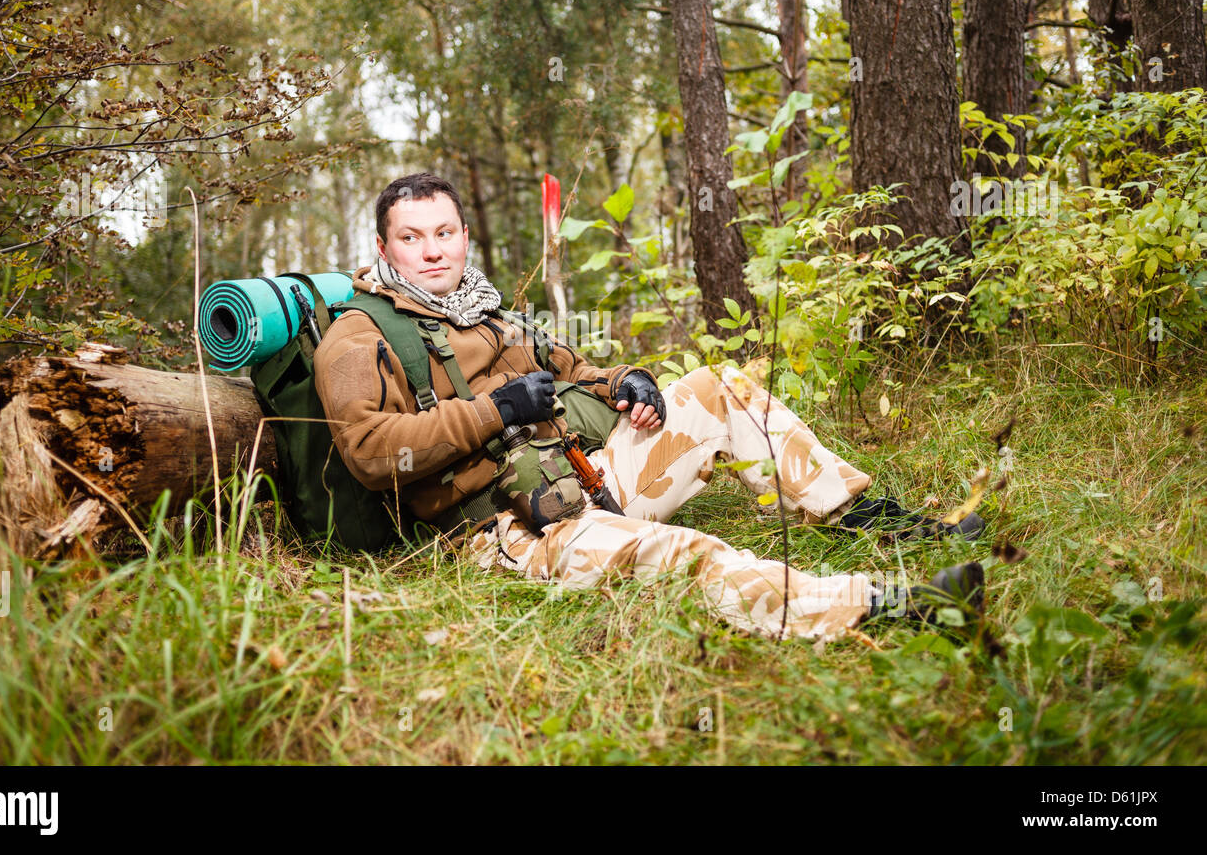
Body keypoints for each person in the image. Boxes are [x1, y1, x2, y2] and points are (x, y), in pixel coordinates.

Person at [313, 173, 987, 642]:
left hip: (584, 478)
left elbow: (580, 372)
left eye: (445, 231)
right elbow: (371, 453)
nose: (433, 250)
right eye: (412, 237)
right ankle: (888, 606)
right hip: (503, 531)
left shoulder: (491, 314)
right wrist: (493, 410)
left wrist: (631, 383)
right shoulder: (358, 335)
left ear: (465, 235)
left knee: (721, 383)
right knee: (681, 551)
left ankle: (868, 518)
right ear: (384, 248)